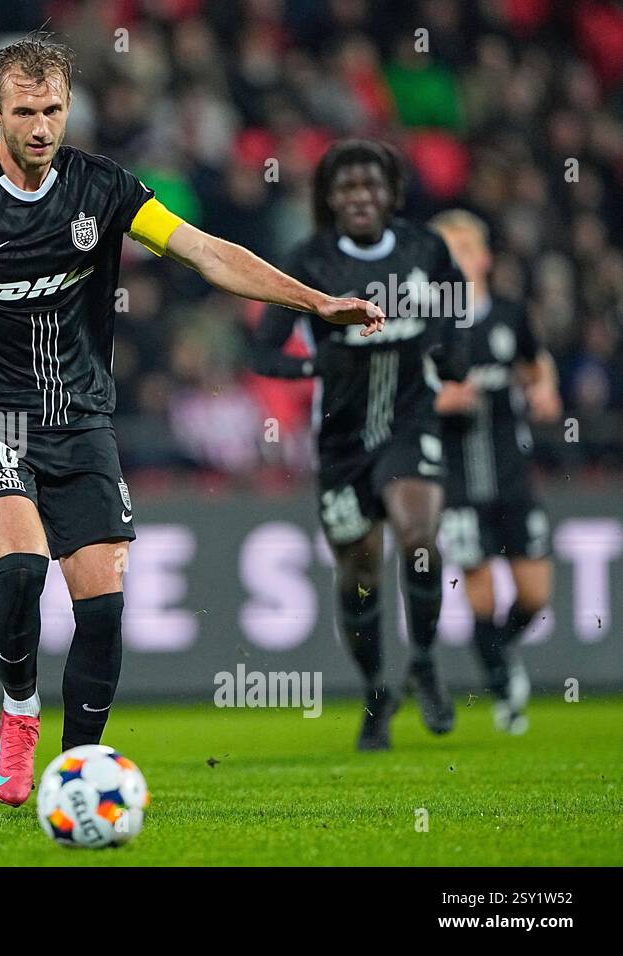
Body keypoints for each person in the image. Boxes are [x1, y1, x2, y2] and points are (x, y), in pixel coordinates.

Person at [0, 33, 383, 806]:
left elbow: (203, 251)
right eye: (26, 112)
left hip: (80, 417)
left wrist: (313, 300)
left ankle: (74, 775)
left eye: (54, 110)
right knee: (24, 566)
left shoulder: (103, 188)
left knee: (102, 610)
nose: (41, 127)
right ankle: (17, 713)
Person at [253, 139, 470, 751]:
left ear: (392, 194)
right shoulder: (309, 263)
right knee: (361, 573)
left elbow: (457, 315)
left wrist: (456, 355)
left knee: (420, 538)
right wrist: (314, 366)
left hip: (409, 421)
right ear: (329, 198)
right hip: (343, 442)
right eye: (346, 188)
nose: (360, 197)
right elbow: (262, 350)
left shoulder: (427, 249)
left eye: (371, 186)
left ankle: (423, 661)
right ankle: (377, 689)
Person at [430, 209, 560, 735]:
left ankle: (502, 655)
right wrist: (443, 399)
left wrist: (544, 388)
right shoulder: (429, 325)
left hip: (511, 476)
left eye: (461, 249)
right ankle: (506, 691)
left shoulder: (510, 315)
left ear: (482, 258)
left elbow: (536, 363)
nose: (453, 261)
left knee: (534, 595)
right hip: (457, 481)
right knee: (480, 594)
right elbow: (409, 395)